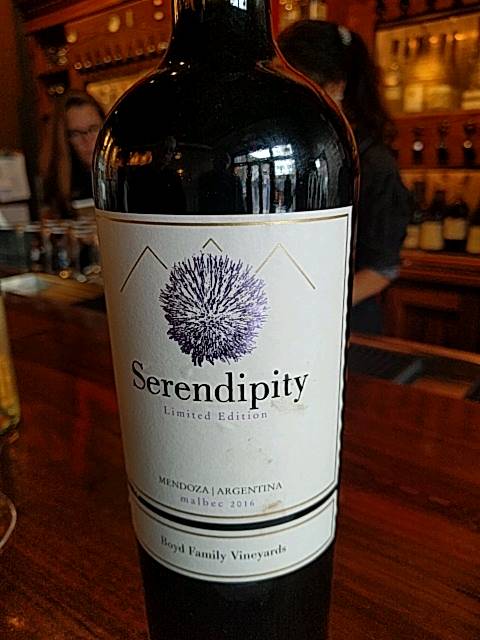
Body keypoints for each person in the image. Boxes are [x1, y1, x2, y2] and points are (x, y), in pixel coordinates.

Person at [278, 21, 410, 334]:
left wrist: (308, 307)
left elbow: (382, 268)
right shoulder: (289, 151)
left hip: (343, 324)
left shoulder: (373, 162)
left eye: (297, 88)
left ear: (337, 86)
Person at [41, 90, 104, 217]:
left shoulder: (124, 173)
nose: (87, 140)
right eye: (75, 134)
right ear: (64, 140)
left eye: (93, 129)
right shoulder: (59, 181)